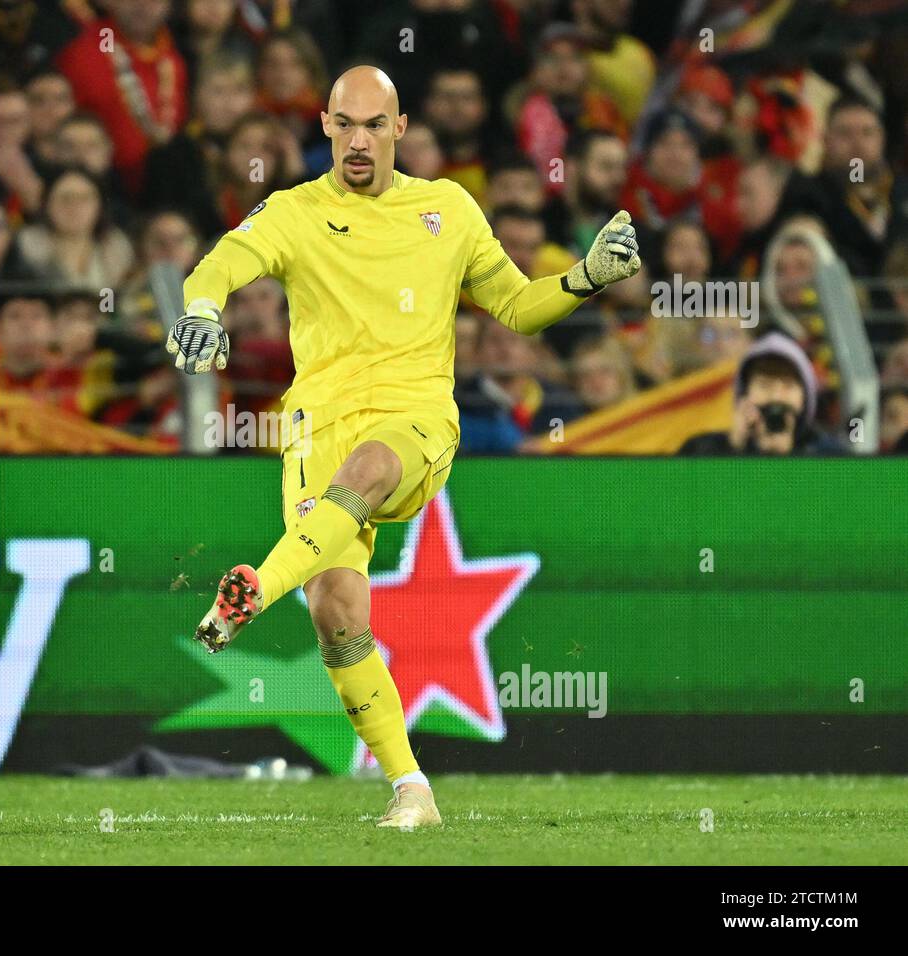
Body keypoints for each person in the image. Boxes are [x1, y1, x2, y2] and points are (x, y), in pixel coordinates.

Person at [164, 66, 641, 828]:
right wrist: (202, 307)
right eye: (345, 125)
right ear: (324, 126)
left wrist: (585, 277)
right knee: (341, 615)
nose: (359, 141)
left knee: (373, 468)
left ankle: (260, 584)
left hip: (414, 419)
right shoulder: (293, 211)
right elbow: (220, 263)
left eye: (374, 125)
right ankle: (412, 790)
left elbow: (515, 306)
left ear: (400, 127)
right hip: (317, 425)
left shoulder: (446, 209)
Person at [679, 332, 841, 455]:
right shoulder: (702, 449)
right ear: (744, 393)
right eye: (765, 385)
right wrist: (732, 448)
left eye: (788, 386)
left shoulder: (830, 455)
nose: (776, 396)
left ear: (804, 399)